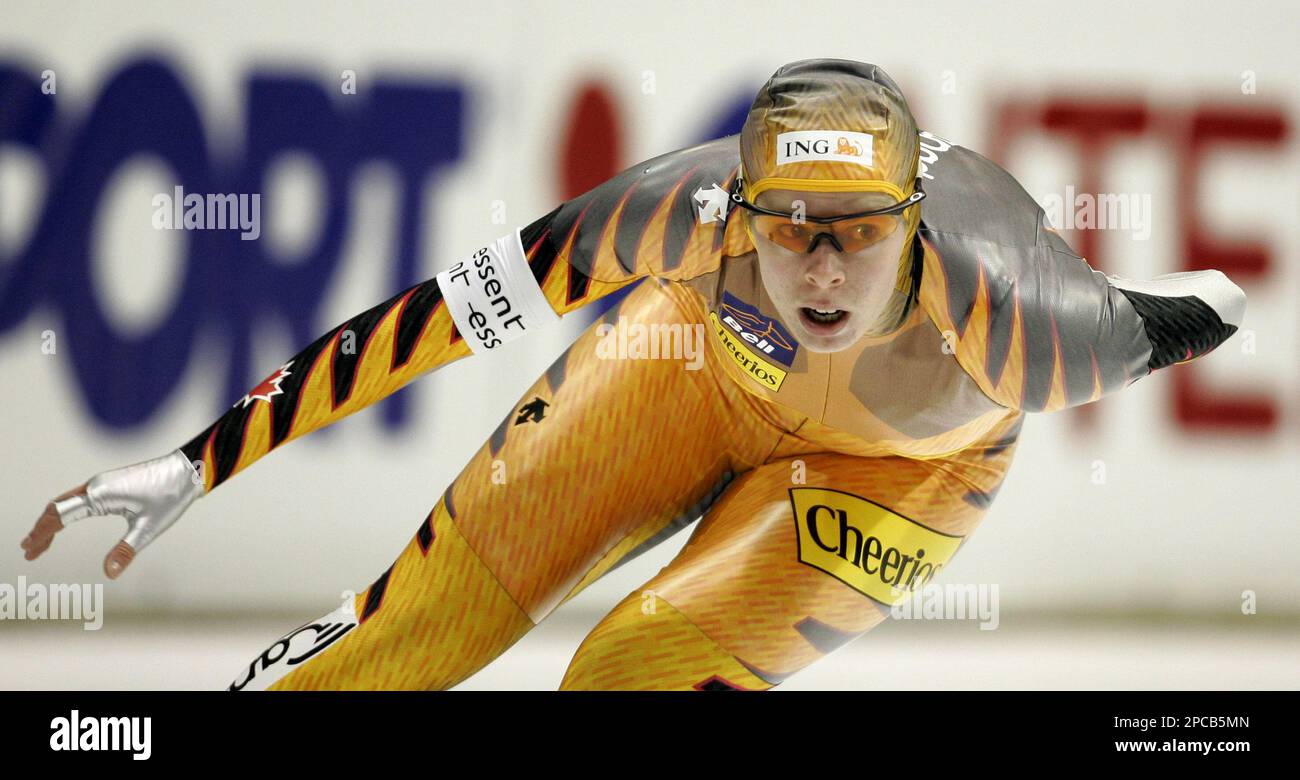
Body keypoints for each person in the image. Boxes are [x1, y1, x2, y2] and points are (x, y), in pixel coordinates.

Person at [21, 59, 1246, 690]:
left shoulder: (1021, 320)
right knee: (405, 635)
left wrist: (1219, 298)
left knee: (631, 667)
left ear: (918, 224)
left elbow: (1195, 311)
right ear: (738, 208)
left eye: (859, 232)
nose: (819, 269)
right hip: (690, 371)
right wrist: (198, 462)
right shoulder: (676, 216)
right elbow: (426, 322)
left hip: (898, 471)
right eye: (789, 228)